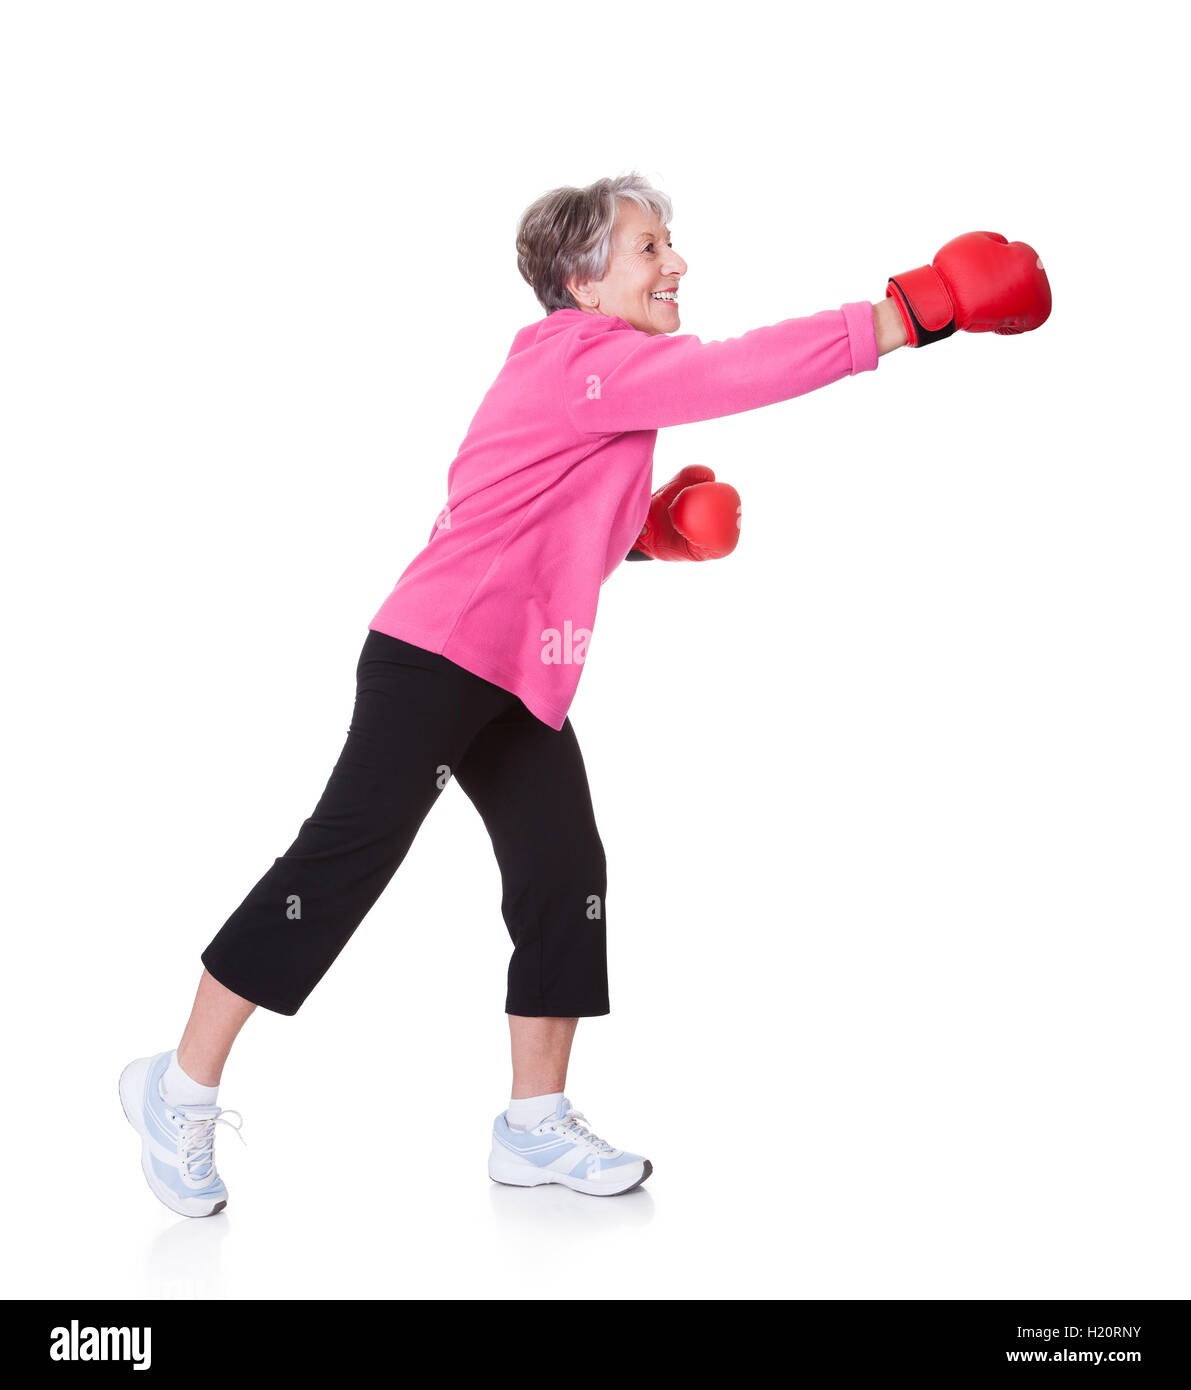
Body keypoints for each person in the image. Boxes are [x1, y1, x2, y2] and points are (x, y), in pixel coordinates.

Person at [119, 173, 1051, 1216]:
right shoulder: (583, 362)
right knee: (337, 867)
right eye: (650, 249)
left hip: (517, 669)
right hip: (437, 654)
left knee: (565, 871)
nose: (677, 265)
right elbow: (739, 372)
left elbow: (540, 522)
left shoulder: (594, 384)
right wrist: (913, 312)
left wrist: (655, 534)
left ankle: (532, 1127)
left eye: (671, 245)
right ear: (581, 278)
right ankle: (178, 1088)